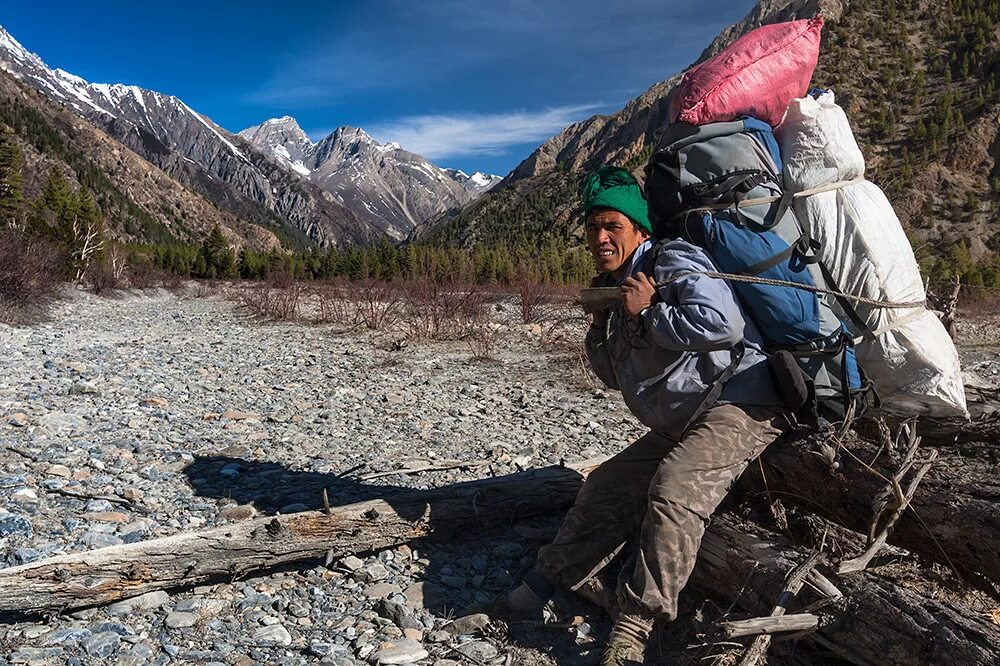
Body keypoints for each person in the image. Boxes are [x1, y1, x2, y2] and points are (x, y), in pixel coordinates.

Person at [487, 166, 787, 666]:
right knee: (606, 483)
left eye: (613, 226)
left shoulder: (673, 260)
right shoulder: (616, 283)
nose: (600, 238)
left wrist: (647, 313)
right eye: (592, 228)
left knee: (673, 489)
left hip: (743, 399)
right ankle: (536, 589)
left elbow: (724, 325)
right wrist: (601, 326)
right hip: (686, 414)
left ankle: (634, 628)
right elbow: (610, 375)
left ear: (640, 230)